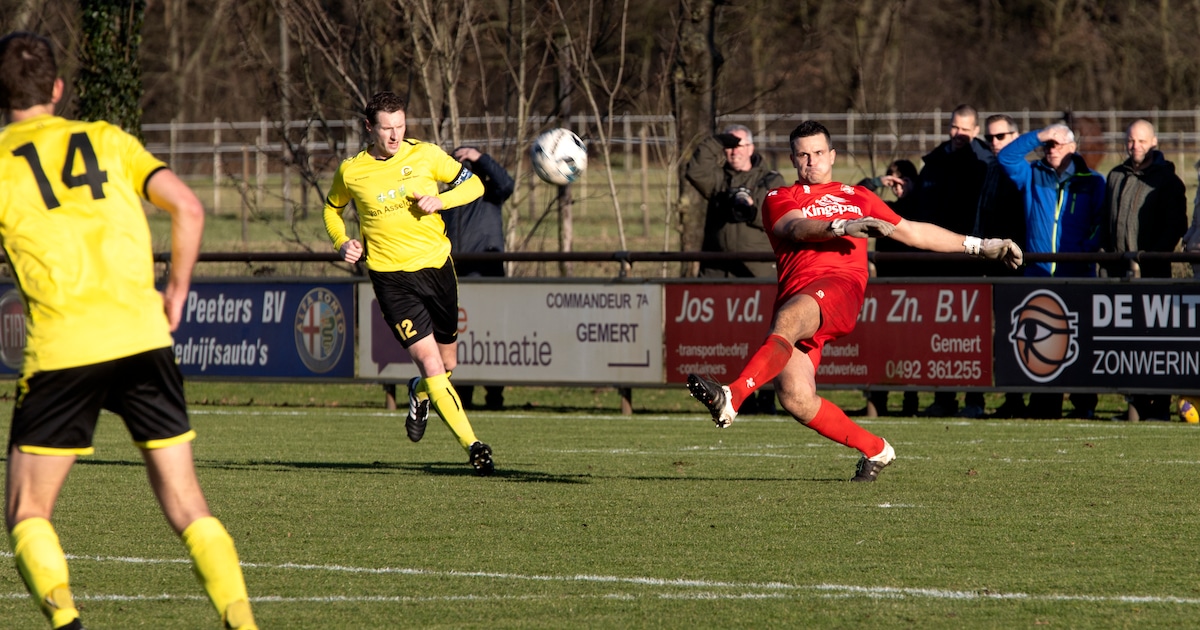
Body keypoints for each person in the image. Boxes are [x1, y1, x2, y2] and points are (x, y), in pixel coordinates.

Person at [0, 32, 256, 629]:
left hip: (64, 348)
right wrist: (176, 290)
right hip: (143, 336)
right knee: (188, 503)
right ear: (59, 89)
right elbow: (188, 208)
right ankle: (242, 621)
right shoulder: (108, 141)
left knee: (28, 510)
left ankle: (67, 623)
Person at [687, 121, 1022, 482]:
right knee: (795, 397)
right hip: (799, 296)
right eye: (803, 154)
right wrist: (840, 227)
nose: (811, 161)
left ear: (832, 156)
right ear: (792, 158)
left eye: (818, 153)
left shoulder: (858, 197)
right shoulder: (778, 197)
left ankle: (731, 395)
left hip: (839, 288)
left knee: (787, 319)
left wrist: (978, 245)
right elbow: (796, 229)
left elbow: (912, 231)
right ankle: (877, 449)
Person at [323, 92, 495, 475]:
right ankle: (475, 446)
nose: (395, 135)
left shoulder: (427, 155)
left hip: (437, 270)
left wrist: (442, 201)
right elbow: (331, 209)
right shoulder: (352, 172)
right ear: (370, 128)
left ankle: (417, 391)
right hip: (391, 280)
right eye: (387, 128)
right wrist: (342, 242)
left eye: (400, 126)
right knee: (433, 363)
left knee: (446, 366)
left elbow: (476, 187)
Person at [998, 122, 1106, 419]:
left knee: (1080, 340)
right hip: (1038, 273)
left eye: (1057, 144)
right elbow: (1006, 158)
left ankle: (1085, 405)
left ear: (1073, 146)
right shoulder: (1033, 175)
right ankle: (1044, 405)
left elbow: (1100, 221)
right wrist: (1041, 135)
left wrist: (1084, 250)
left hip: (1077, 274)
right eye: (1047, 145)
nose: (1050, 149)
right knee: (1042, 339)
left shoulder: (1092, 181)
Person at [685, 124, 785, 414]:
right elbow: (695, 171)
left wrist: (751, 208)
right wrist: (716, 140)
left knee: (762, 336)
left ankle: (764, 394)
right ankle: (726, 391)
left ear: (751, 148)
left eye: (739, 145)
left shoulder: (769, 178)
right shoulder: (719, 180)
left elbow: (773, 212)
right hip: (718, 269)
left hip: (757, 270)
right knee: (722, 338)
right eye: (727, 147)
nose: (732, 151)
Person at [1100, 120, 1187, 420]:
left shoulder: (1167, 180)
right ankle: (1134, 404)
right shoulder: (1115, 176)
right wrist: (1105, 255)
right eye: (1130, 141)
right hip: (1119, 276)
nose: (1134, 146)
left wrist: (1150, 258)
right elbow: (1106, 221)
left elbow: (1176, 225)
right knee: (1126, 344)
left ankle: (1159, 406)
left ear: (1153, 142)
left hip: (1152, 277)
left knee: (1154, 343)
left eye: (1140, 141)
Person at [915, 105, 992, 418]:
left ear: (975, 130)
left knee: (972, 332)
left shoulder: (984, 164)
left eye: (966, 128)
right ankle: (943, 398)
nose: (960, 134)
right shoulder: (932, 164)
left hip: (971, 260)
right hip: (935, 261)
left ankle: (974, 400)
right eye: (954, 128)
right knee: (938, 332)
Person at [444, 146, 514, 410]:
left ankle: (495, 395)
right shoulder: (445, 200)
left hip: (486, 276)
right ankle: (463, 396)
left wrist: (480, 157)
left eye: (465, 164)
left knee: (490, 335)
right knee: (461, 338)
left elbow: (507, 184)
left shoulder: (488, 194)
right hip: (456, 276)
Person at [979, 114, 1031, 419]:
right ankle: (1011, 397)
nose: (995, 143)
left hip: (1015, 263)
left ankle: (1019, 396)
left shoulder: (1023, 170)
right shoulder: (990, 168)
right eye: (990, 138)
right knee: (997, 333)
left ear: (1017, 136)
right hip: (991, 261)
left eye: (1001, 136)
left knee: (1018, 330)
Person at [864, 159, 921, 417]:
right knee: (883, 346)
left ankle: (912, 400)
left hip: (915, 289)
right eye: (893, 182)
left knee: (912, 347)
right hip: (887, 290)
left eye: (903, 181)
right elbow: (853, 195)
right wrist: (878, 182)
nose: (898, 187)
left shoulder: (922, 208)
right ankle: (878, 400)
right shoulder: (885, 208)